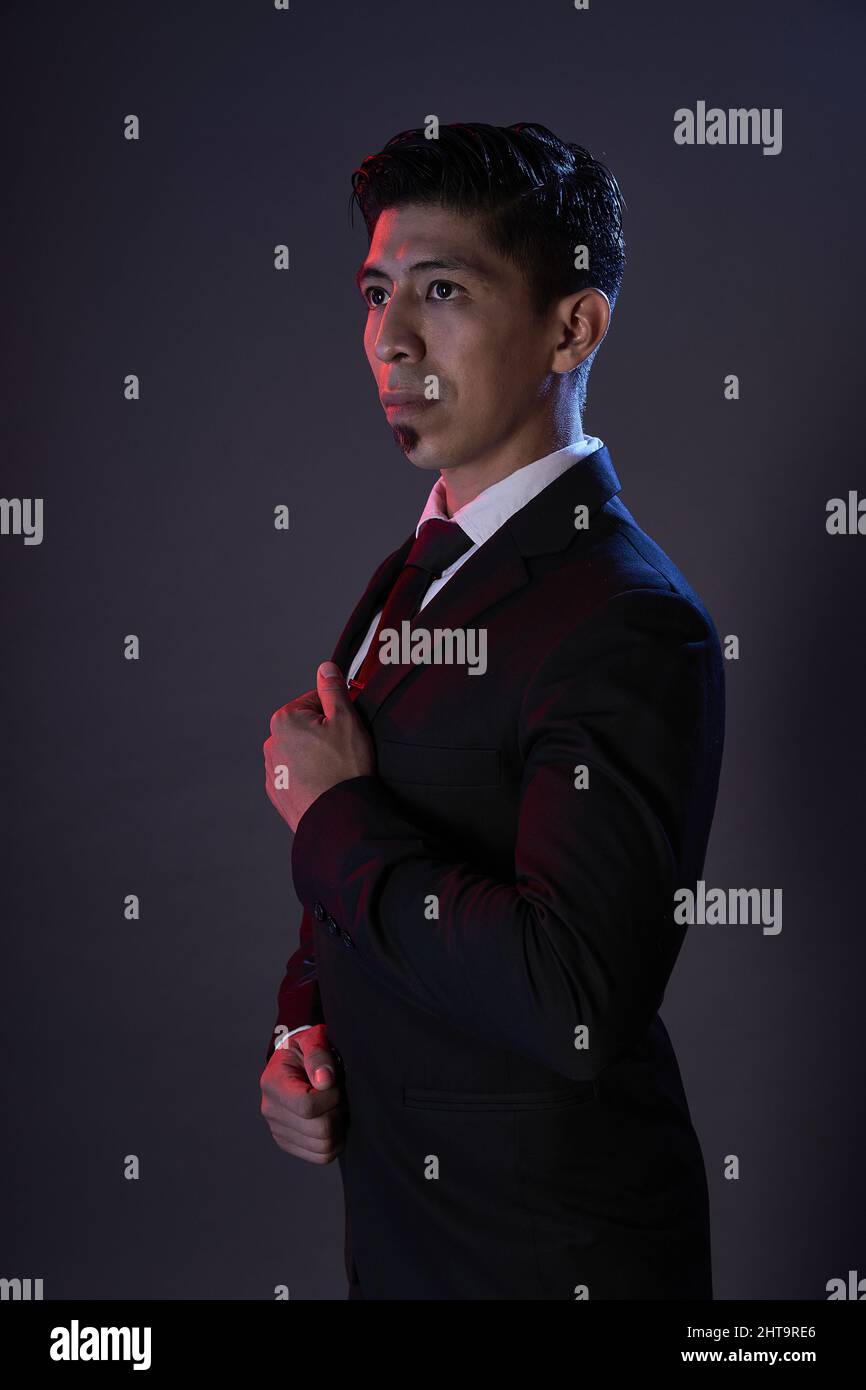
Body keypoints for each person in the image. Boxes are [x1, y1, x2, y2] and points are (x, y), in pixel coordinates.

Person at [259, 122, 725, 1300]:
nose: (391, 338)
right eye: (376, 293)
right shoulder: (416, 565)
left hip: (548, 1259)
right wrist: (299, 1029)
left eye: (443, 289)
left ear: (572, 326)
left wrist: (336, 813)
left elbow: (571, 998)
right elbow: (377, 882)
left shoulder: (624, 617)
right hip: (410, 1242)